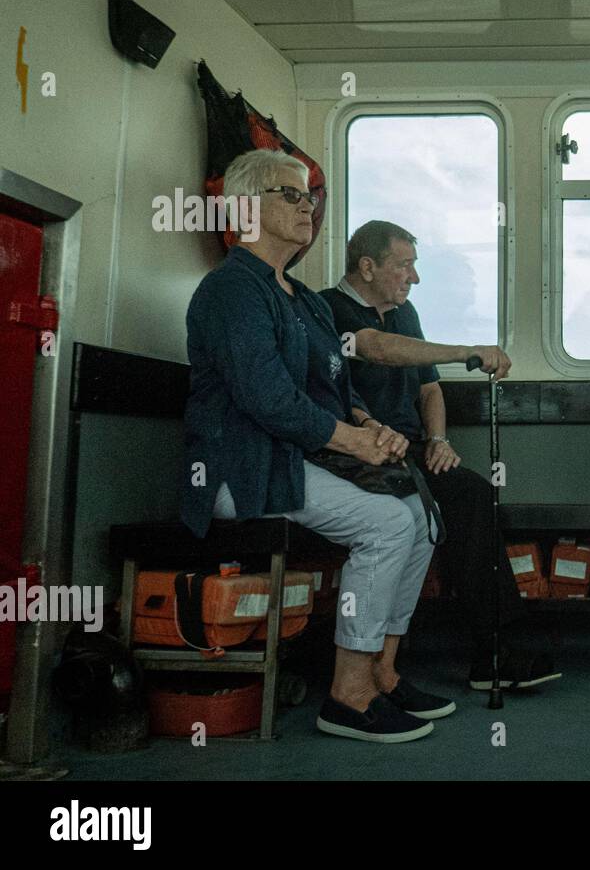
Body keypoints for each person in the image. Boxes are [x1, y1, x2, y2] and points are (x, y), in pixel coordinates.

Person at [182, 150, 455, 743]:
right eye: (292, 195)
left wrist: (366, 421)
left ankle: (382, 669)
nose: (309, 207)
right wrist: (353, 440)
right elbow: (267, 399)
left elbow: (333, 386)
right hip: (242, 471)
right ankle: (347, 695)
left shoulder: (302, 299)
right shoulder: (232, 290)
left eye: (311, 197)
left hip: (298, 460)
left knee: (419, 516)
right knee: (386, 523)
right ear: (248, 206)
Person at [321, 220, 558, 691]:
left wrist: (439, 440)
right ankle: (484, 652)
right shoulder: (329, 309)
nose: (414, 278)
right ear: (367, 267)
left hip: (410, 449)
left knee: (472, 492)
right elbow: (382, 352)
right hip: (358, 451)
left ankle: (496, 648)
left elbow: (429, 388)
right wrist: (469, 350)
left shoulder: (405, 313)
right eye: (404, 266)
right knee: (453, 504)